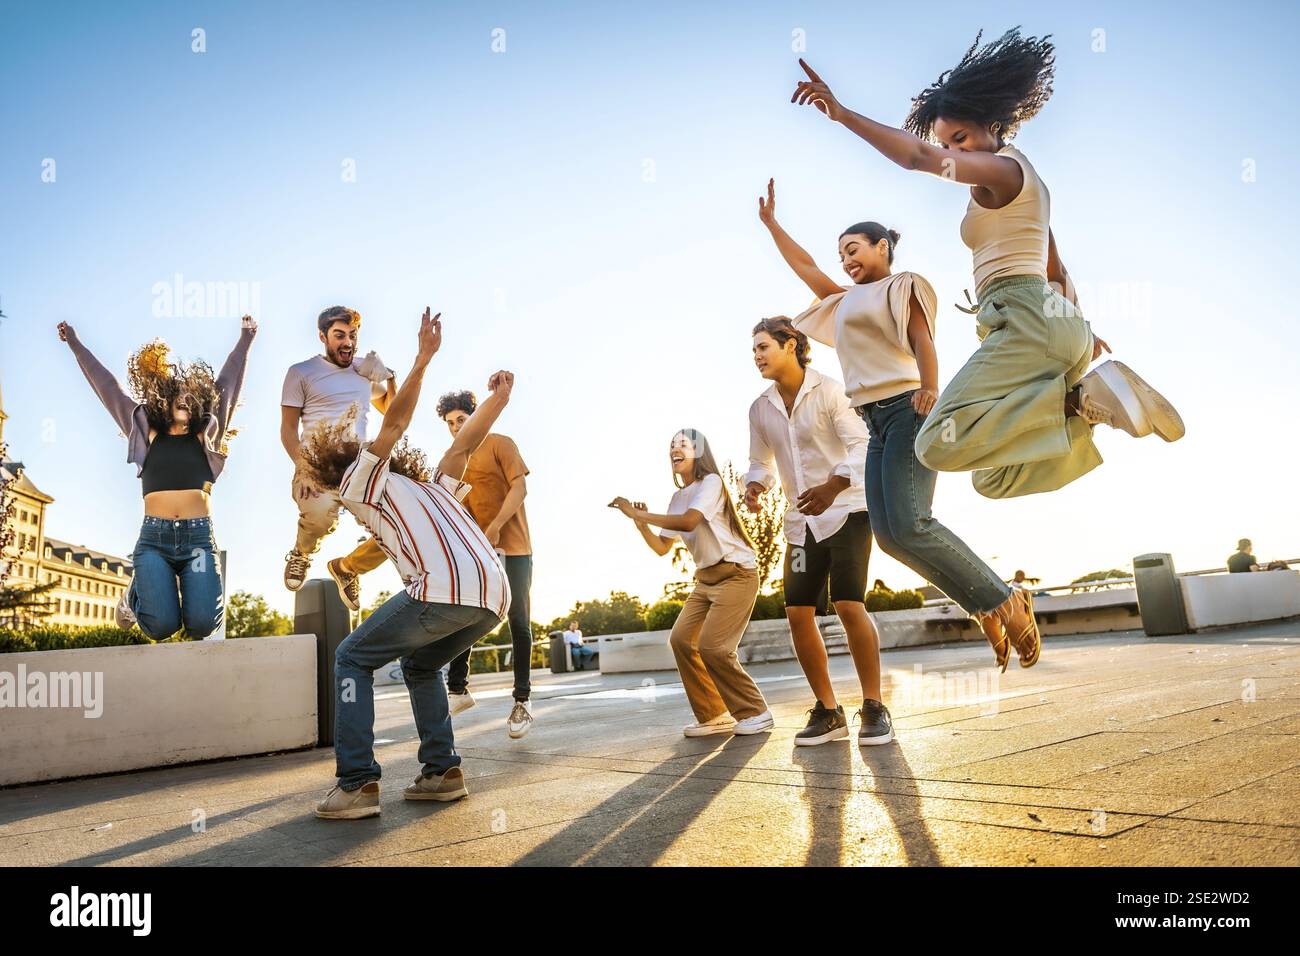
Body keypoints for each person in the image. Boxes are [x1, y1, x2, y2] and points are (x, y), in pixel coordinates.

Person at [790, 29, 1184, 505]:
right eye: (948, 145)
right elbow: (1054, 266)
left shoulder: (1005, 171)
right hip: (1048, 327)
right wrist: (1079, 327)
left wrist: (843, 114)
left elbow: (917, 156)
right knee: (991, 478)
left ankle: (1079, 400)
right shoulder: (1024, 184)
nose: (955, 154)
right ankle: (1082, 409)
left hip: (1025, 321)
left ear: (993, 124)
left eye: (961, 139)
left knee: (934, 442)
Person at [759, 180, 1036, 670]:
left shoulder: (900, 284)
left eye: (854, 249)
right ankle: (986, 605)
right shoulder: (843, 302)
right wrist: (772, 225)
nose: (846, 261)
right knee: (891, 536)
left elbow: (921, 338)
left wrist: (930, 386)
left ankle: (1005, 598)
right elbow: (806, 267)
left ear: (881, 247)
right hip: (873, 424)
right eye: (841, 255)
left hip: (908, 409)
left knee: (913, 522)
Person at [300, 307, 515, 820]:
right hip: (491, 594)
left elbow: (394, 423)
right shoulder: (431, 483)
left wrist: (421, 359)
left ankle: (356, 784)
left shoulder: (361, 480)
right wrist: (500, 399)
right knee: (421, 665)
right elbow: (466, 441)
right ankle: (441, 771)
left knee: (352, 658)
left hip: (441, 591)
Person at [57, 316, 256, 639]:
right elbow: (108, 387)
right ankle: (133, 597)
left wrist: (245, 339)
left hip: (198, 542)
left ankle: (159, 588)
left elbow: (229, 383)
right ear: (164, 399)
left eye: (192, 397)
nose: (185, 399)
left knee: (203, 625)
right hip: (154, 541)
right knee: (162, 627)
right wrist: (76, 344)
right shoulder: (146, 433)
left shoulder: (206, 437)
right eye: (178, 394)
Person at [744, 317, 892, 745]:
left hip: (847, 509)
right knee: (797, 613)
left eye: (763, 347)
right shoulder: (760, 408)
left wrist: (834, 484)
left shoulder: (830, 391)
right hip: (801, 523)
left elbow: (862, 445)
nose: (757, 356)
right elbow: (760, 461)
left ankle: (874, 706)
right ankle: (828, 710)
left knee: (848, 604)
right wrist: (755, 485)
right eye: (753, 350)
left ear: (791, 344)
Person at [610, 429, 774, 738]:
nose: (675, 448)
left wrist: (637, 512)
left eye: (683, 444)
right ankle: (714, 714)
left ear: (698, 452)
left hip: (737, 574)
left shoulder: (711, 483)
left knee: (714, 647)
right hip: (706, 580)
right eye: (671, 444)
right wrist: (639, 521)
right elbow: (662, 547)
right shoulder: (676, 498)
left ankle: (756, 711)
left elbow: (688, 521)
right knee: (682, 639)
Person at [435, 390, 536, 738]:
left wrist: (494, 527)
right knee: (467, 612)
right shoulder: (454, 460)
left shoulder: (500, 444)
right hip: (479, 551)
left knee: (519, 621)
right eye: (450, 423)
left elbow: (520, 489)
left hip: (515, 547)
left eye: (461, 420)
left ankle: (522, 700)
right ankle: (458, 689)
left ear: (477, 417)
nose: (455, 428)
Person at [280, 305, 397, 607]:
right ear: (323, 336)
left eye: (353, 335)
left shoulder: (363, 371)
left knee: (397, 526)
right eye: (339, 335)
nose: (347, 342)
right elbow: (288, 430)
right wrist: (304, 469)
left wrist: (390, 378)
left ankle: (347, 569)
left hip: (360, 462)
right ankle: (302, 554)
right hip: (317, 462)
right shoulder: (301, 373)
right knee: (319, 517)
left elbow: (393, 413)